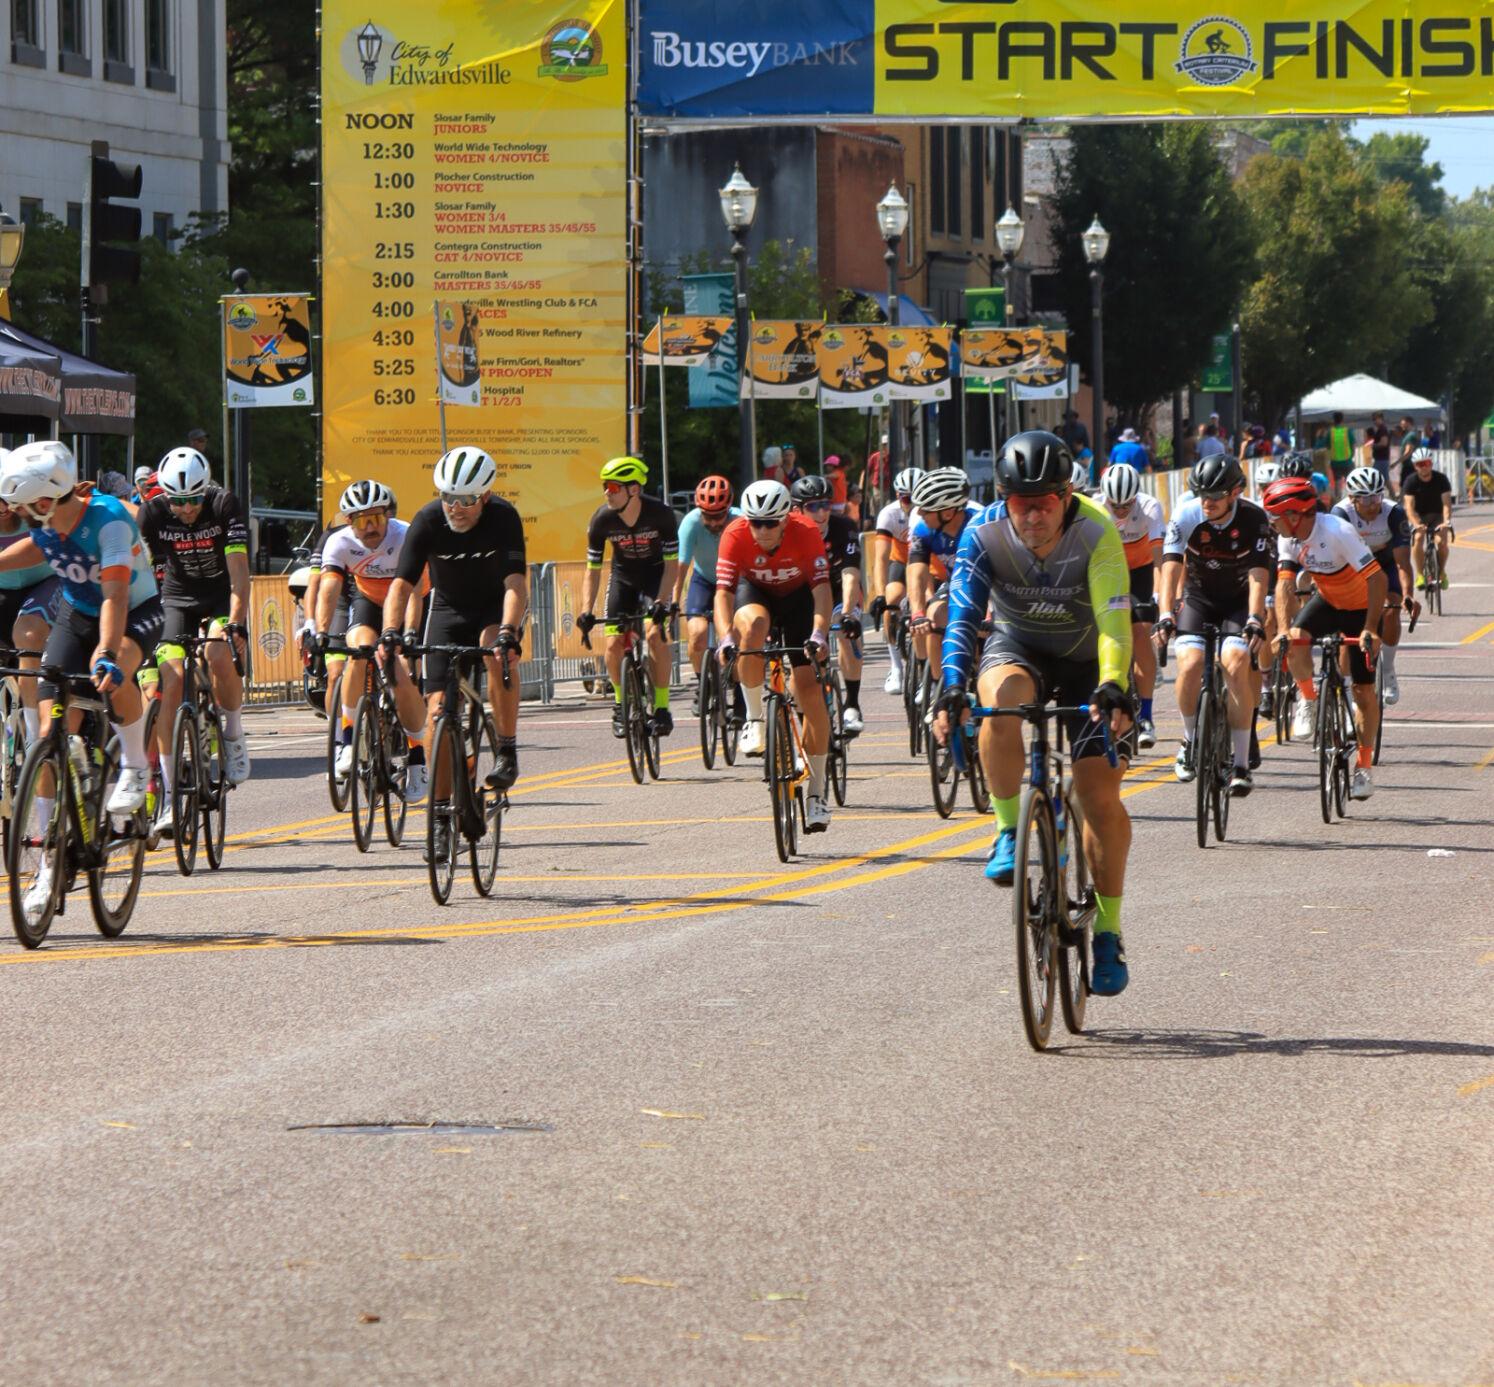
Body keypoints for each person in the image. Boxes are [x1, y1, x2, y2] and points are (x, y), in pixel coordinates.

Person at [930, 430, 1135, 996]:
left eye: (1044, 502)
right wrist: (951, 687)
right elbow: (962, 617)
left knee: (1099, 797)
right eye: (1021, 503)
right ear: (1004, 498)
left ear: (1066, 496)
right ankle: (1006, 829)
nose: (1033, 515)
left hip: (1090, 660)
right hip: (1018, 647)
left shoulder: (1096, 530)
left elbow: (1114, 621)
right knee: (997, 702)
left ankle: (1108, 930)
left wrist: (1113, 683)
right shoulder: (982, 532)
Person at [0, 441, 164, 923]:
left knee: (113, 673)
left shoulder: (108, 520)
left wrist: (108, 652)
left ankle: (135, 764)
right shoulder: (48, 522)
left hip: (134, 610)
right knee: (50, 733)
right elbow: (36, 549)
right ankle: (48, 866)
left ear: (44, 501)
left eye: (21, 507)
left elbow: (115, 596)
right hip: (78, 612)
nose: (16, 515)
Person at [380, 447, 527, 845]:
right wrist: (390, 631)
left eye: (465, 500)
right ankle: (441, 814)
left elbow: (515, 583)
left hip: (493, 608)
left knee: (495, 652)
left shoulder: (504, 518)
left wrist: (509, 631)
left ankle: (507, 749)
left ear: (485, 496)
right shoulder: (428, 520)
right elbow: (401, 585)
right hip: (448, 610)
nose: (455, 508)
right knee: (437, 712)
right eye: (448, 497)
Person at [135, 447, 253, 833]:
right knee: (170, 678)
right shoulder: (152, 514)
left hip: (221, 594)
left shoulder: (223, 505)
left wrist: (236, 622)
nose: (186, 509)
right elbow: (142, 572)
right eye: (178, 501)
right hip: (176, 597)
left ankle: (232, 733)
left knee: (218, 653)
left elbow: (239, 570)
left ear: (206, 490)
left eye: (193, 500)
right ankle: (169, 796)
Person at [714, 479, 834, 831]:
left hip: (799, 601)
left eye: (770, 523)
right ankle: (754, 719)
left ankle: (816, 792)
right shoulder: (735, 534)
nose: (762, 530)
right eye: (756, 522)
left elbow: (822, 589)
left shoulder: (806, 531)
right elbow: (723, 593)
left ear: (785, 519)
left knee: (810, 693)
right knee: (752, 627)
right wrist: (725, 638)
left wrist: (819, 634)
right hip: (756, 594)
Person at [1154, 455, 1272, 795]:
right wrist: (1165, 613)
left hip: (1238, 601)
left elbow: (1258, 575)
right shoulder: (1186, 515)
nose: (1208, 502)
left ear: (1234, 493)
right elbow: (1171, 567)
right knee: (1190, 664)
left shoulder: (1254, 518)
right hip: (1199, 598)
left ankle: (1240, 763)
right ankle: (1189, 739)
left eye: (1216, 496)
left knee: (1235, 663)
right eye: (1202, 494)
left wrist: (1255, 617)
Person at [1267, 475, 1386, 800]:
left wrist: (1371, 628)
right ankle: (1308, 700)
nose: (1272, 522)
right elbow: (1285, 584)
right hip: (1330, 601)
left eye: (1275, 516)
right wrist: (1282, 629)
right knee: (1294, 640)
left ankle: (1364, 767)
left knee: (1363, 692)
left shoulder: (1337, 531)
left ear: (1294, 515)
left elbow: (1377, 579)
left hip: (1361, 608)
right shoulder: (1288, 538)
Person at [313, 480, 430, 800]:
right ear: (350, 521)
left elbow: (416, 592)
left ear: (387, 516)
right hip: (368, 601)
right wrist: (320, 631)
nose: (370, 527)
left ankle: (417, 758)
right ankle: (349, 742)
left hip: (407, 602)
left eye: (376, 518)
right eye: (362, 520)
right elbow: (329, 589)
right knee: (357, 654)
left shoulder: (405, 535)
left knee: (400, 672)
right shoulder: (338, 542)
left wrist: (409, 634)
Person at [576, 456, 679, 738]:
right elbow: (592, 570)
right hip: (623, 578)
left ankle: (661, 707)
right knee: (612, 644)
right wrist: (586, 610)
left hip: (656, 577)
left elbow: (672, 566)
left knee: (655, 634)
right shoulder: (602, 519)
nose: (606, 493)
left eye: (612, 487)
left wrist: (660, 602)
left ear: (633, 489)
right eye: (604, 487)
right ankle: (621, 704)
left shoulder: (661, 514)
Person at [0, 453, 64, 766]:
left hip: (46, 582)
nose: (2, 508)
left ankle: (34, 738)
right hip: (4, 588)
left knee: (27, 635)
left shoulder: (34, 508)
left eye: (6, 499)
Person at [1333, 467, 1416, 705]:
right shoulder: (1340, 514)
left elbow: (1402, 563)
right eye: (1366, 499)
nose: (1372, 505)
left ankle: (1388, 669)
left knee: (1391, 610)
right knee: (1348, 630)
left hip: (1385, 564)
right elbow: (1335, 559)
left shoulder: (1394, 513)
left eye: (1377, 497)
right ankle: (1345, 688)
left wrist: (1408, 595)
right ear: (1352, 498)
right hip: (1351, 568)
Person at [791, 474, 866, 732]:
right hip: (804, 593)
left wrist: (847, 613)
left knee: (847, 631)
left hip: (837, 588)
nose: (822, 512)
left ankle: (852, 703)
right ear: (797, 509)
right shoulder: (788, 532)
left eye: (825, 504)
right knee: (804, 655)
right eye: (813, 506)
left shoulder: (844, 527)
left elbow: (850, 574)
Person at [1098, 462, 1164, 749]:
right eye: (1116, 505)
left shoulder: (1150, 508)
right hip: (1109, 571)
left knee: (1140, 632)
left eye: (1127, 505)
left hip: (1140, 572)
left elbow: (1160, 559)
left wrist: (1159, 597)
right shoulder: (1097, 508)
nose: (1122, 510)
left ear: (1136, 497)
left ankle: (1146, 716)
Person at [905, 467, 982, 698]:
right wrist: (917, 613)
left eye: (926, 508)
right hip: (956, 583)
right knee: (934, 614)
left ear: (947, 513)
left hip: (990, 586)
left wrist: (989, 617)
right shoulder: (923, 529)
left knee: (986, 631)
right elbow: (916, 572)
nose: (919, 512)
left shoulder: (980, 525)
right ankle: (940, 693)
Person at [672, 476, 740, 715]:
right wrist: (673, 602)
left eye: (718, 516)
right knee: (697, 634)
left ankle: (739, 693)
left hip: (734, 581)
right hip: (704, 580)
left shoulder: (740, 521)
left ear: (728, 509)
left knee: (736, 635)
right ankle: (703, 684)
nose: (712, 522)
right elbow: (680, 567)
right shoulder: (690, 523)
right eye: (707, 516)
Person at [867, 467, 923, 694]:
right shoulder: (889, 514)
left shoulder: (931, 511)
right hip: (900, 561)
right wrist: (880, 595)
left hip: (926, 562)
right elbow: (881, 559)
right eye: (907, 499)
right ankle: (896, 667)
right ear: (898, 496)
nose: (912, 504)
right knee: (891, 602)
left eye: (917, 498)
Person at [1401, 448, 1454, 593]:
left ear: (1431, 463)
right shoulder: (1410, 481)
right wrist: (1416, 524)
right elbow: (1409, 507)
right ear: (1415, 466)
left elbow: (1446, 504)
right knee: (1418, 538)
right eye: (1420, 464)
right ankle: (1420, 575)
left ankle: (1441, 572)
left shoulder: (1441, 479)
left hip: (1437, 515)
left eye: (1427, 463)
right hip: (1419, 516)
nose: (1424, 467)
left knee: (1441, 542)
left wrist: (1446, 522)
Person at [1327, 411, 1356, 498]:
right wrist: (1351, 456)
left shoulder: (1330, 432)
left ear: (1333, 420)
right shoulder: (1347, 431)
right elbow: (1353, 445)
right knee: (1351, 483)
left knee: (1337, 483)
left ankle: (1338, 500)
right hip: (1347, 461)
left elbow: (1328, 446)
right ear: (1342, 420)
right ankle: (1352, 501)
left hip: (1335, 462)